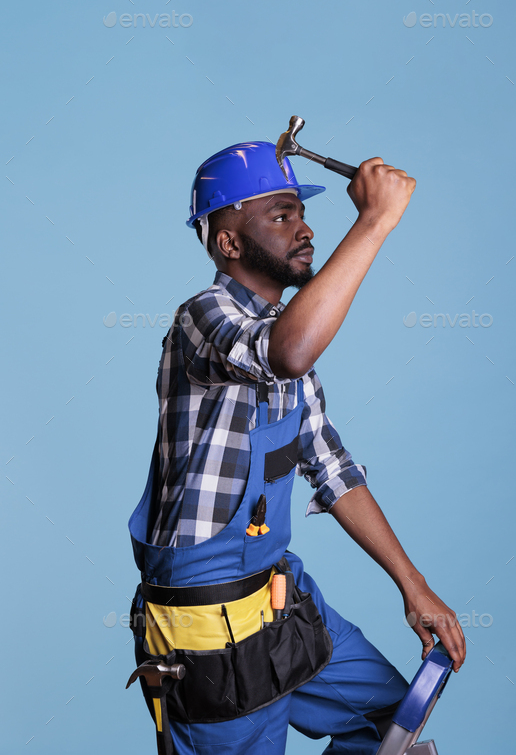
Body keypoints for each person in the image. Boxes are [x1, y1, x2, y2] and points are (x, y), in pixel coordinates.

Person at [128, 141, 466, 755]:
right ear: (228, 243)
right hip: (210, 632)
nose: (305, 228)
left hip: (281, 600)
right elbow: (288, 349)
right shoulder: (202, 318)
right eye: (280, 216)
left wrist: (412, 586)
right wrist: (374, 221)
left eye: (301, 213)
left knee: (393, 730)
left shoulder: (290, 350)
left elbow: (332, 469)